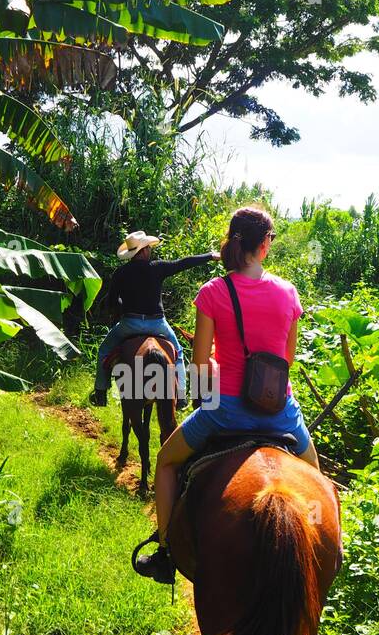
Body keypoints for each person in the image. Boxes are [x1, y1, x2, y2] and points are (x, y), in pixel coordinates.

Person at [133, 206, 320, 583]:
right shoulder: (287, 293)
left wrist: (218, 374)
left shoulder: (213, 293)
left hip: (225, 411)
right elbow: (287, 360)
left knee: (167, 462)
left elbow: (200, 366)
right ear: (265, 244)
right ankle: (326, 547)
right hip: (279, 410)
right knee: (316, 479)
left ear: (233, 242)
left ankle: (165, 550)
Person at [89, 231, 218, 407]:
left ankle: (101, 393)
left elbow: (112, 301)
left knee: (104, 350)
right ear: (142, 251)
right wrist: (210, 256)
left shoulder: (120, 273)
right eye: (148, 247)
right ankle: (180, 398)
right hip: (157, 325)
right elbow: (183, 263)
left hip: (129, 324)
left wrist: (123, 305)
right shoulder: (157, 267)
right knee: (178, 353)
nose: (150, 250)